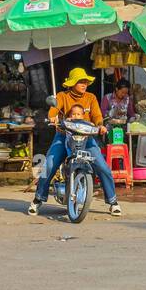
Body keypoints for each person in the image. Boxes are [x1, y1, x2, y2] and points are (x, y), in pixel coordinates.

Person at [29, 67, 121, 217]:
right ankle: (38, 199)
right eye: (80, 81)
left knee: (102, 166)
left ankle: (113, 201)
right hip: (64, 136)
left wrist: (100, 125)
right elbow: (53, 111)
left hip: (87, 138)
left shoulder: (90, 97)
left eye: (85, 81)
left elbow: (97, 116)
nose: (84, 84)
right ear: (72, 83)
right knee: (49, 164)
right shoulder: (62, 96)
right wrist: (53, 118)